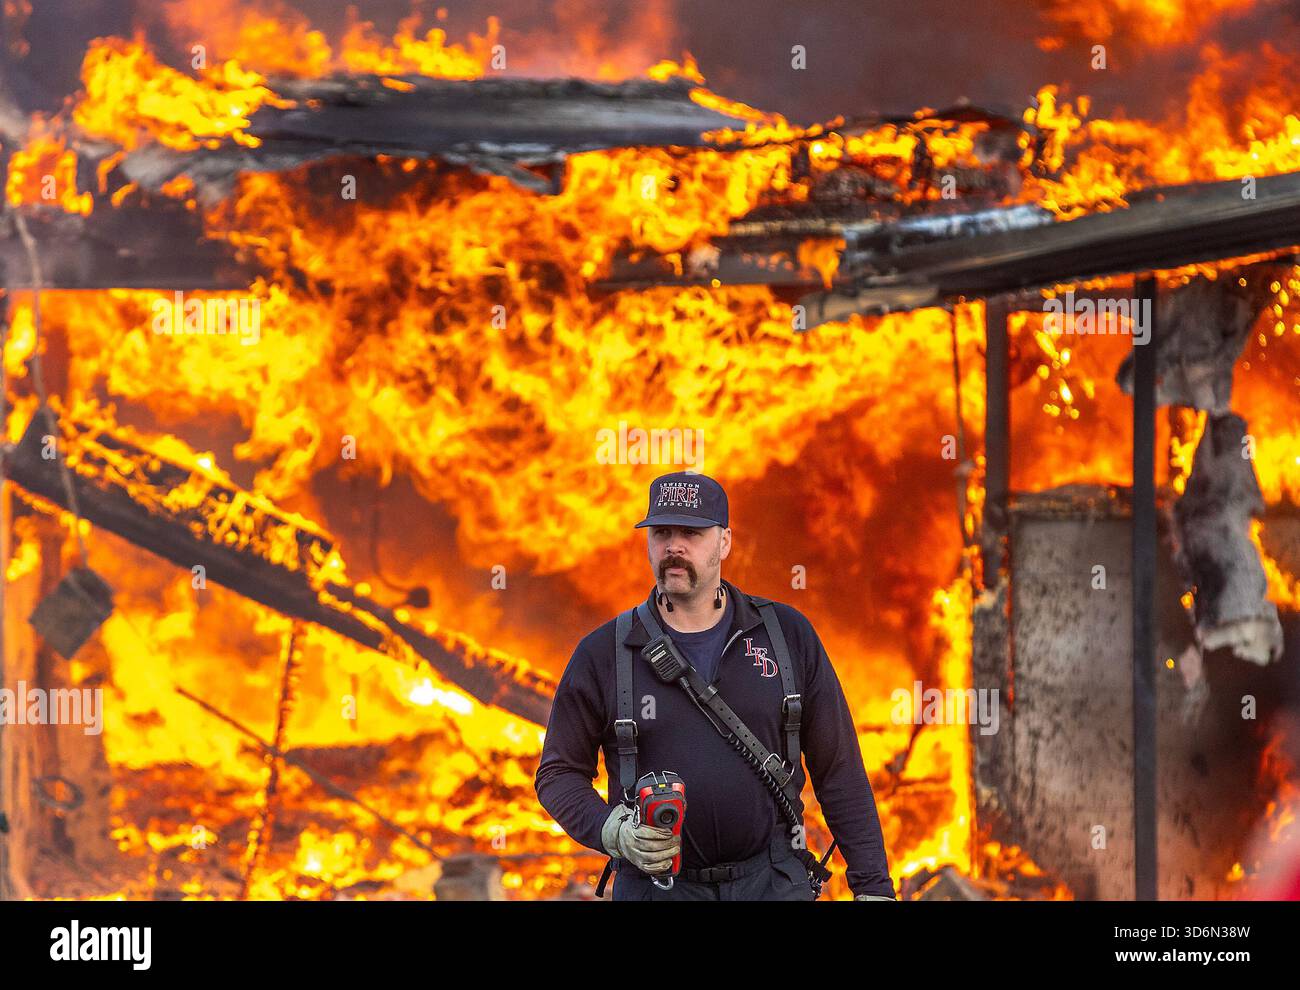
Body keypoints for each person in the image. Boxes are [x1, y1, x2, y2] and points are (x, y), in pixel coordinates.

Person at [534, 470, 896, 900]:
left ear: (724, 541)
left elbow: (840, 772)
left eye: (691, 532)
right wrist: (612, 831)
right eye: (661, 533)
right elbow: (558, 773)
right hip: (658, 889)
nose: (674, 546)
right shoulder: (604, 653)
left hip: (772, 884)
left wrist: (874, 888)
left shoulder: (786, 636)